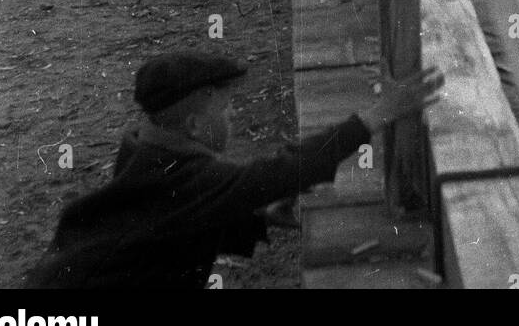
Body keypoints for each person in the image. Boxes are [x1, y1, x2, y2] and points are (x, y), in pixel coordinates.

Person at [26, 50, 442, 289]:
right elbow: (285, 169)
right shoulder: (192, 178)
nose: (233, 117)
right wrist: (378, 114)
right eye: (225, 108)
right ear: (193, 125)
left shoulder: (141, 149)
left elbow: (167, 229)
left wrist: (259, 217)